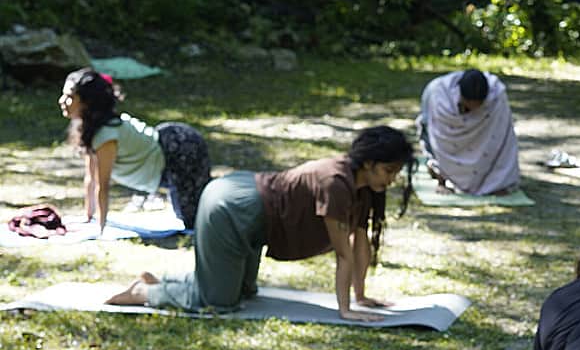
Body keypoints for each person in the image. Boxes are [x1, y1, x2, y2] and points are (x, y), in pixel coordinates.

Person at [105, 126, 414, 322]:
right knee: (219, 304)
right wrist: (345, 310)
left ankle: (162, 281)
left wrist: (360, 297)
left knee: (243, 293)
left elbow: (360, 242)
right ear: (369, 163)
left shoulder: (362, 189)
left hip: (251, 211)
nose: (391, 179)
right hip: (232, 208)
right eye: (388, 170)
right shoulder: (336, 182)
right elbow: (343, 253)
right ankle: (143, 294)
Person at [59, 67, 211, 230]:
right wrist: (88, 217)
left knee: (196, 220)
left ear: (87, 102)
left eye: (70, 97)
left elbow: (102, 185)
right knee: (193, 210)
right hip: (169, 149)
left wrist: (101, 228)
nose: (62, 101)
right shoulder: (90, 128)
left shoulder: (106, 135)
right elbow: (91, 178)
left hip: (180, 152)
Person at [416, 68, 520, 195]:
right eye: (469, 106)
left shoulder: (496, 96)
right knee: (431, 139)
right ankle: (440, 176)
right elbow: (438, 140)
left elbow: (502, 136)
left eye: (478, 107)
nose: (473, 112)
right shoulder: (438, 95)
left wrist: (499, 182)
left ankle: (493, 181)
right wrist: (441, 181)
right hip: (435, 133)